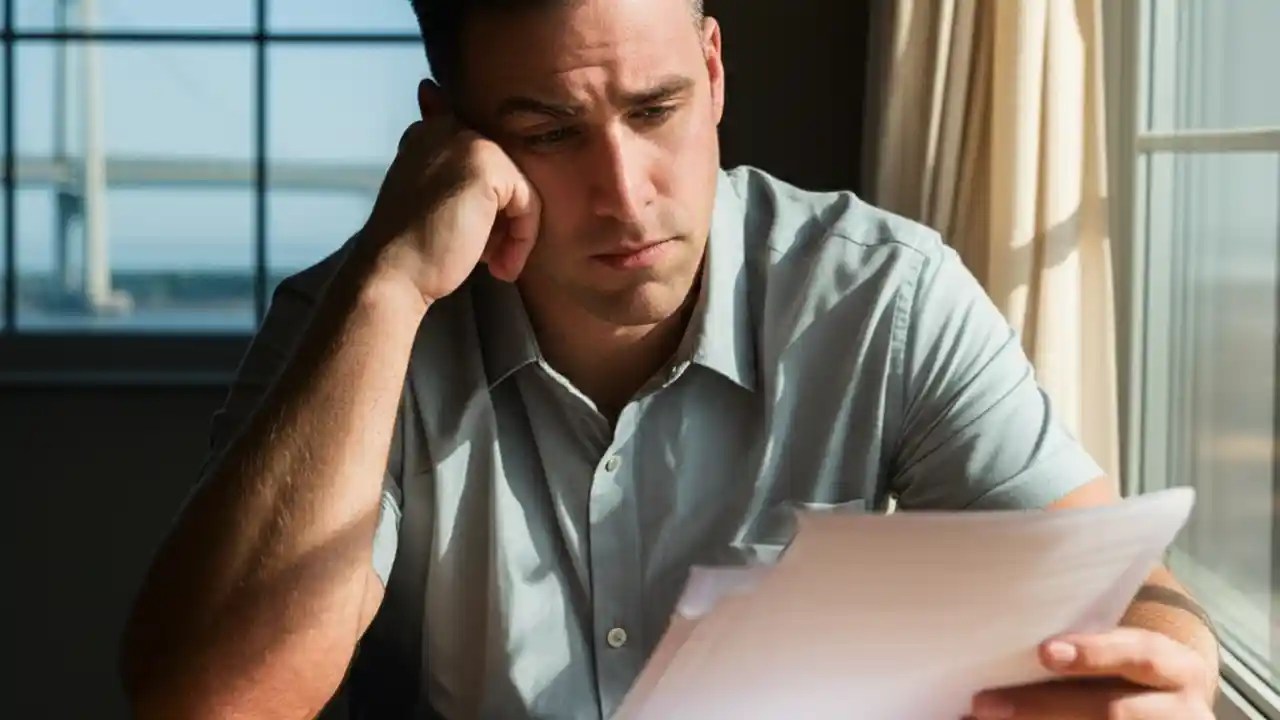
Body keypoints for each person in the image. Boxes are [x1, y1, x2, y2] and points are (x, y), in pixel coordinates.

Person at [119, 0, 1219, 717]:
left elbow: (1127, 590)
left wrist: (1164, 668)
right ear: (446, 133)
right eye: (548, 131)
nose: (625, 192)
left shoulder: (884, 294)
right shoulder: (350, 322)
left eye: (657, 110)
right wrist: (391, 287)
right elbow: (210, 704)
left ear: (714, 71)